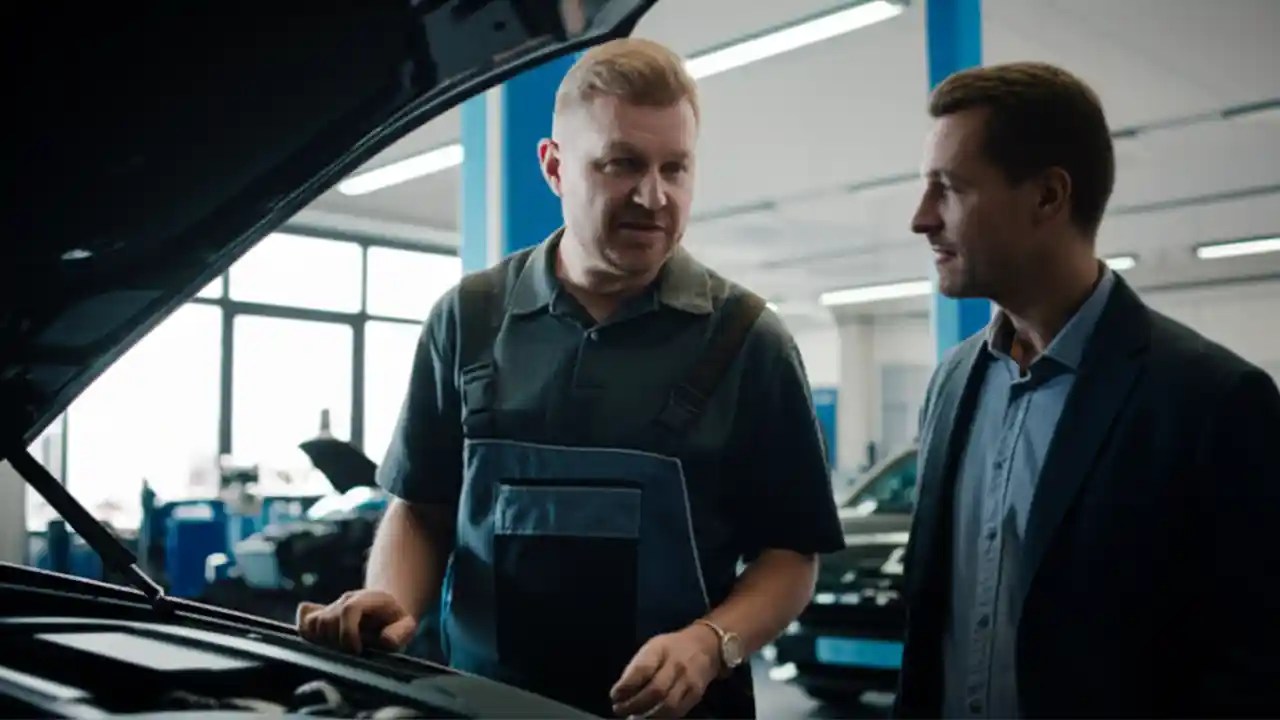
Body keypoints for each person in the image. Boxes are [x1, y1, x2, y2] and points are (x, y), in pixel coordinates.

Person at [297, 38, 845, 719]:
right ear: (554, 167)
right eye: (622, 165)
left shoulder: (746, 340)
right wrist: (392, 602)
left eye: (675, 168)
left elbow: (791, 554)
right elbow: (421, 508)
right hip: (478, 706)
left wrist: (709, 646)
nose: (653, 195)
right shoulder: (467, 319)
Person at [893, 60, 1280, 719]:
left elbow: (1256, 665)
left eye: (949, 189)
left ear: (1047, 197)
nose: (921, 218)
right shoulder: (953, 383)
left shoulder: (1213, 402)